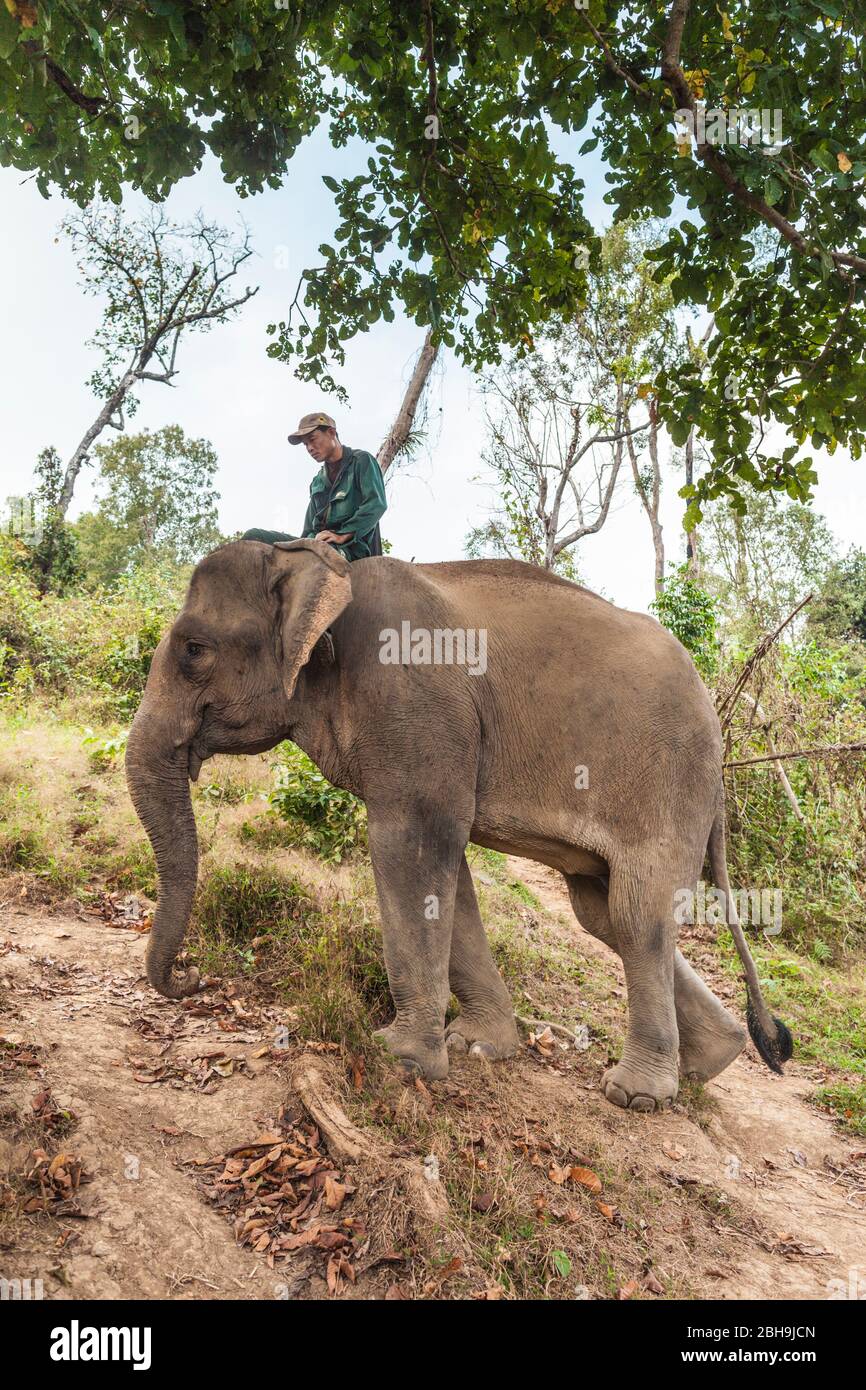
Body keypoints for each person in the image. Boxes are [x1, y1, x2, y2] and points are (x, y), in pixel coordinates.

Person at [242, 412, 387, 561]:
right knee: (252, 537)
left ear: (331, 433)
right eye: (306, 444)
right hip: (316, 545)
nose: (309, 448)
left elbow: (376, 504)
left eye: (312, 440)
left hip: (352, 549)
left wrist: (342, 534)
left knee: (317, 553)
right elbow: (308, 530)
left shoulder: (361, 461)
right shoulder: (317, 481)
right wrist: (298, 546)